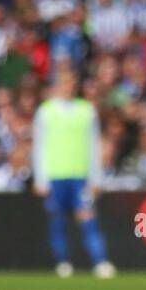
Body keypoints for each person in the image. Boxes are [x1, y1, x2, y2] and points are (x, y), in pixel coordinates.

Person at [33, 68, 115, 278]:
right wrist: (40, 178)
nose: (68, 87)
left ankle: (101, 262)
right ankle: (63, 263)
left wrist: (97, 178)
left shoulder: (86, 110)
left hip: (80, 176)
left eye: (71, 83)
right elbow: (39, 146)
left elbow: (94, 145)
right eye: (64, 83)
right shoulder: (46, 111)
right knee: (58, 220)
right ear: (56, 86)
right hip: (55, 175)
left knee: (88, 218)